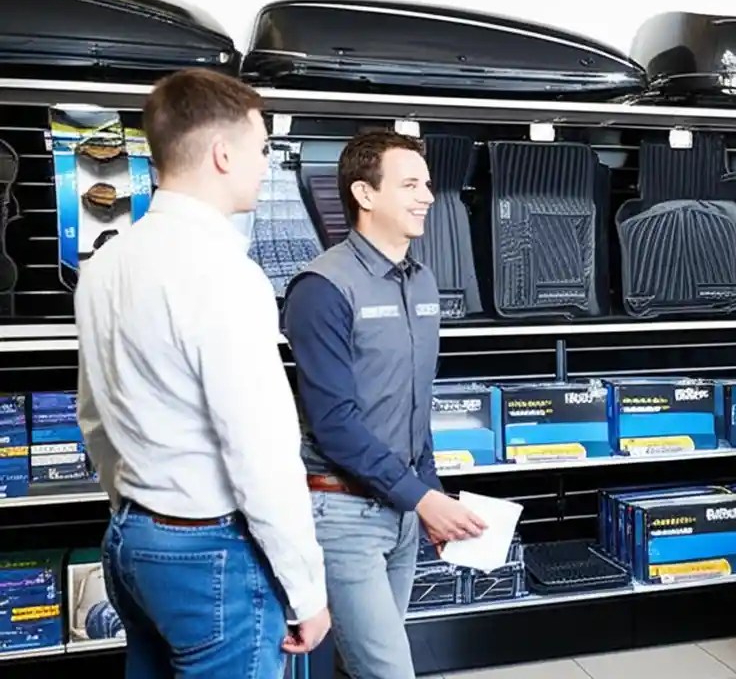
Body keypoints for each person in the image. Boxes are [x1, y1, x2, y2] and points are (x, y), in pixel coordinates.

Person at [75, 68, 332, 678]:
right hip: (210, 552)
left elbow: (94, 416)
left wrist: (139, 506)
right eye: (262, 149)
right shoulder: (225, 273)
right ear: (222, 153)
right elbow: (259, 451)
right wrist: (307, 591)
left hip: (133, 539)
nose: (265, 166)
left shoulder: (106, 262)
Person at [282, 129, 487, 679]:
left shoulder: (423, 283)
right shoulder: (322, 288)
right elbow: (334, 424)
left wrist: (430, 497)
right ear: (364, 193)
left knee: (361, 667)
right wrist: (422, 499)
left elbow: (416, 405)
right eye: (410, 184)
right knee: (387, 671)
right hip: (343, 512)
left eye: (427, 184)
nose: (428, 196)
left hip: (402, 510)